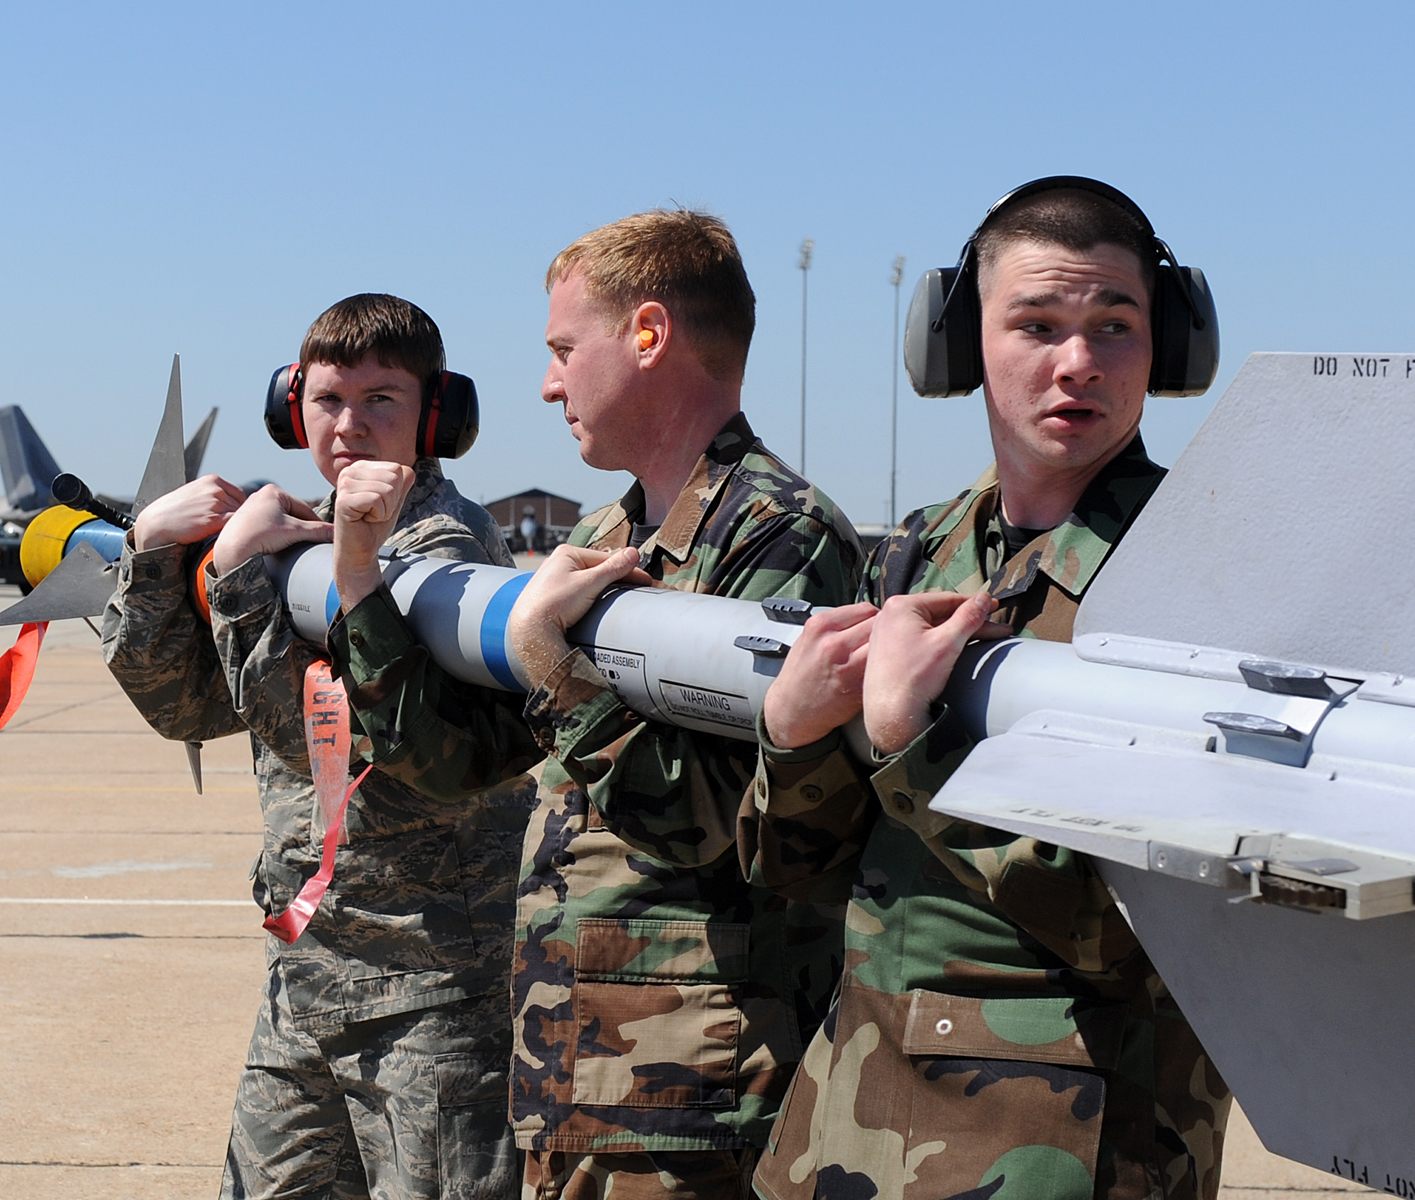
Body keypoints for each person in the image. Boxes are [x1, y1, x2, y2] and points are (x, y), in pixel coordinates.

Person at [327, 210, 865, 1199]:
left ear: (648, 336)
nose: (547, 382)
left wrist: (557, 670)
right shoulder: (609, 530)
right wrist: (360, 583)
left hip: (695, 1092)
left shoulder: (777, 536)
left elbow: (708, 821)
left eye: (564, 349)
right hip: (580, 1070)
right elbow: (453, 762)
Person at [743, 179, 1233, 1200]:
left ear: (1170, 347)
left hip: (1064, 1144)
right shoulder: (921, 548)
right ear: (963, 347)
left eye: (1116, 326)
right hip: (856, 1118)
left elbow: (1163, 938)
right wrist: (792, 740)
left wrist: (908, 747)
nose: (1079, 363)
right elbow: (797, 871)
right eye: (1037, 325)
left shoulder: (1205, 576)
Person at [102, 293, 527, 1200]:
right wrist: (149, 552)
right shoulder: (306, 531)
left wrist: (239, 579)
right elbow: (186, 707)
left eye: (382, 400)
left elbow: (317, 743)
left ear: (436, 417)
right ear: (294, 407)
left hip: (431, 1000)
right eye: (329, 400)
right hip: (306, 979)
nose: (349, 426)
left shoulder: (443, 550)